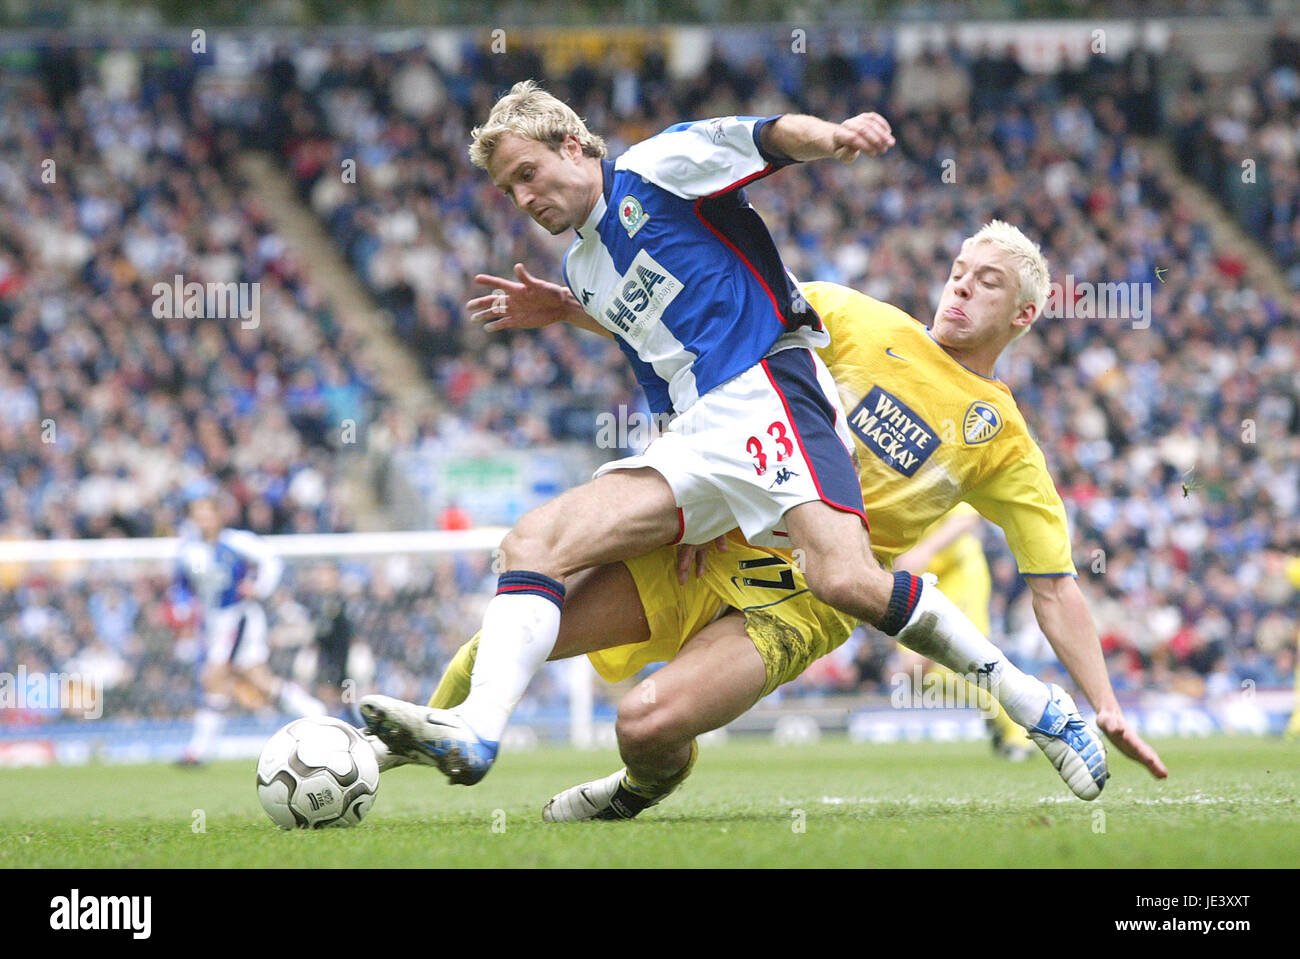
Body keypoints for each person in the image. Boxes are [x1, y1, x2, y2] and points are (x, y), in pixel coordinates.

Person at [362, 82, 1058, 791]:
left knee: (844, 577)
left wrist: (835, 136)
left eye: (527, 174)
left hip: (768, 388)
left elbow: (764, 137)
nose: (522, 197)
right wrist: (567, 311)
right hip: (695, 434)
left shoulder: (656, 166)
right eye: (509, 190)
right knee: (529, 543)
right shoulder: (584, 266)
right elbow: (655, 355)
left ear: (572, 145)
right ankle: (475, 730)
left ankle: (1025, 696)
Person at [369, 221, 1168, 815]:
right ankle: (383, 753)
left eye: (986, 281)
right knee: (513, 631)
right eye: (959, 269)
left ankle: (639, 787)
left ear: (1023, 315)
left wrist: (1105, 703)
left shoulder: (1004, 439)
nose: (960, 286)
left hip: (807, 598)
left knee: (644, 724)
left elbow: (1055, 586)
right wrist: (570, 310)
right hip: (710, 535)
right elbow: (713, 326)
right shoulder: (856, 319)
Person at [175, 496, 325, 764]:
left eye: (207, 513)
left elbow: (271, 561)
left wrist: (260, 587)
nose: (203, 520)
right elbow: (182, 585)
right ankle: (319, 715)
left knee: (213, 675)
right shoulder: (189, 551)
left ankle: (198, 750)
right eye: (197, 515)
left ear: (219, 515)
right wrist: (184, 608)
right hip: (214, 623)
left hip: (240, 616)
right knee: (259, 681)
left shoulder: (237, 542)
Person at [894, 504, 1037, 760]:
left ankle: (1016, 732)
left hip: (960, 574)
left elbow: (966, 518)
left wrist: (925, 549)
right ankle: (998, 709)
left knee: (971, 661)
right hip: (913, 577)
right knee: (914, 672)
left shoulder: (921, 470)